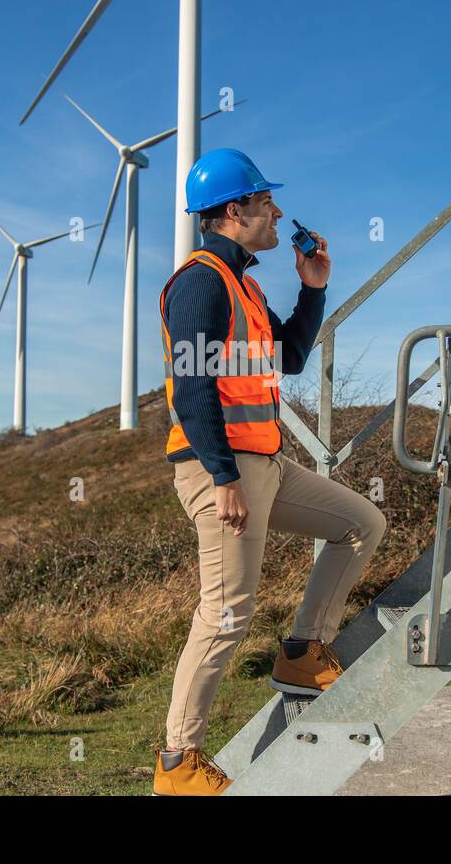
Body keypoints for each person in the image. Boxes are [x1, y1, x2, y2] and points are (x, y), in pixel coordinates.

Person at [152, 148, 387, 795]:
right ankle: (177, 763)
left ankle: (301, 652)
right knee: (226, 612)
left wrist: (313, 287)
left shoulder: (246, 286)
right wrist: (223, 477)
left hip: (268, 463)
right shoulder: (201, 282)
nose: (277, 212)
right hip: (221, 469)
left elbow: (288, 356)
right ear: (235, 211)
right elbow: (192, 384)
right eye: (265, 202)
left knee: (361, 524)